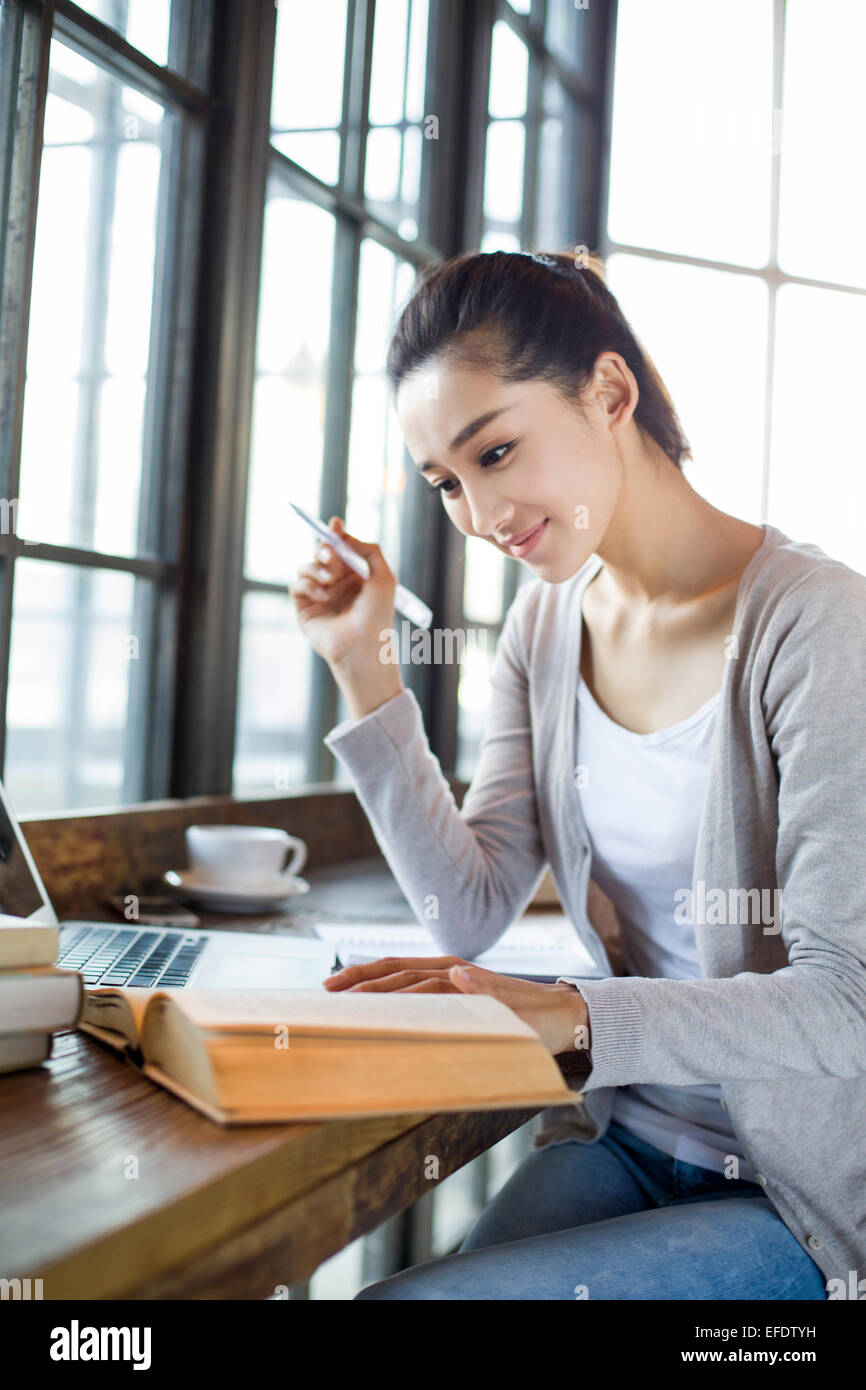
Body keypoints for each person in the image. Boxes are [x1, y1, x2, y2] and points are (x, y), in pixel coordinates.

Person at [289, 249, 866, 1300]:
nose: (476, 513)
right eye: (446, 484)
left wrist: (573, 1014)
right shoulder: (544, 627)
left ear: (608, 390)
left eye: (495, 452)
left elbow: (846, 1003)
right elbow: (462, 909)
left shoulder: (818, 624)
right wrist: (361, 666)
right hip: (632, 1142)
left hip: (802, 1203)